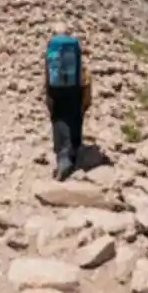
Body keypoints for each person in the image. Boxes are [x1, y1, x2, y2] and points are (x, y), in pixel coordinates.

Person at [42, 25, 91, 181]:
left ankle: (62, 158)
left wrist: (48, 96)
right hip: (73, 90)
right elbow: (84, 76)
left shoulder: (51, 48)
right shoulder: (74, 47)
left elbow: (47, 76)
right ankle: (72, 155)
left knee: (58, 121)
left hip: (55, 91)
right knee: (74, 119)